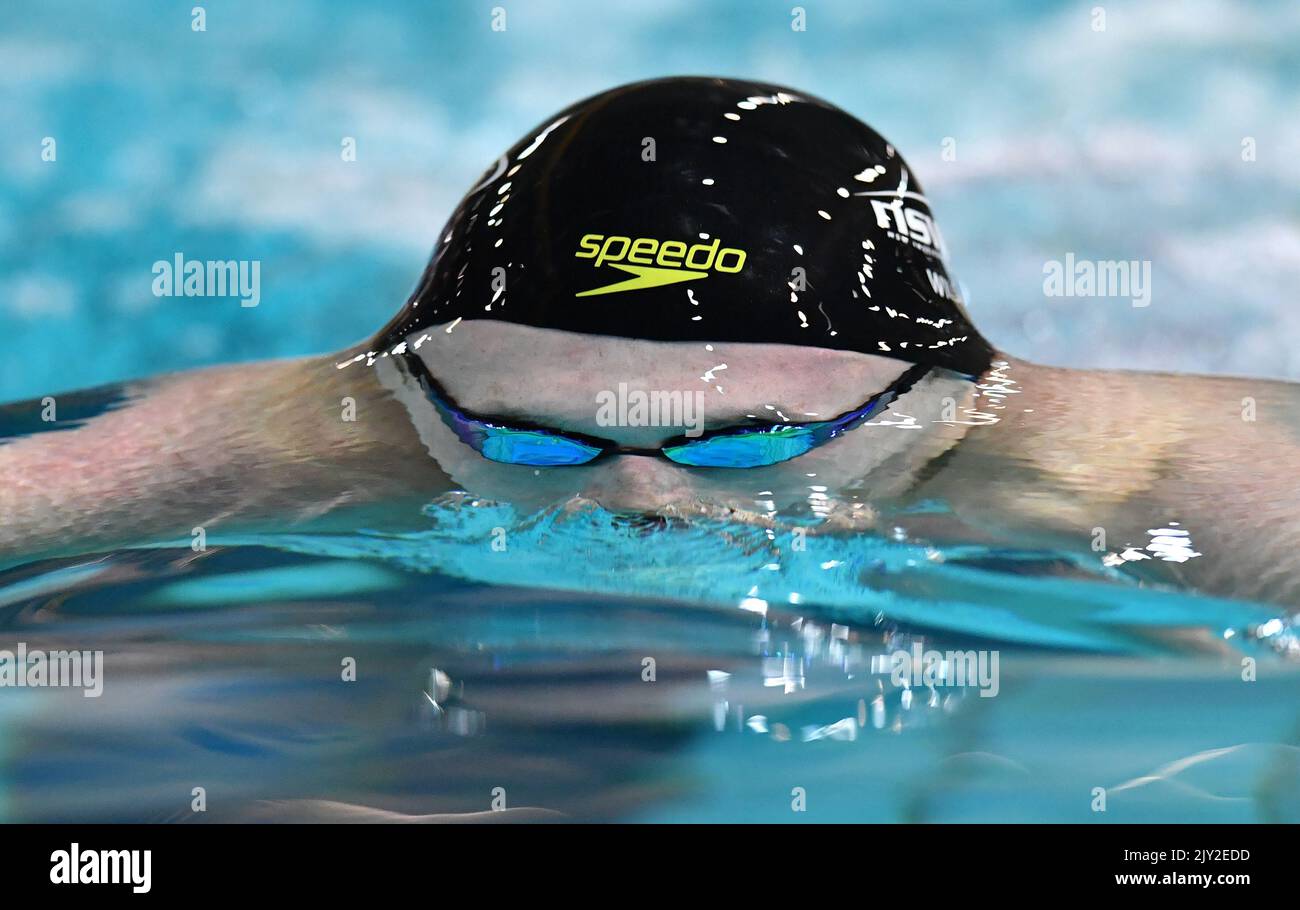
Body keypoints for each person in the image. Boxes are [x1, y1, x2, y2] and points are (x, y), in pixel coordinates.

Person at [1, 77, 1296, 608]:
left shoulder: (1137, 473)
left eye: (748, 450)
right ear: (409, 380)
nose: (638, 506)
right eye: (530, 439)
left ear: (940, 402)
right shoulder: (348, 424)